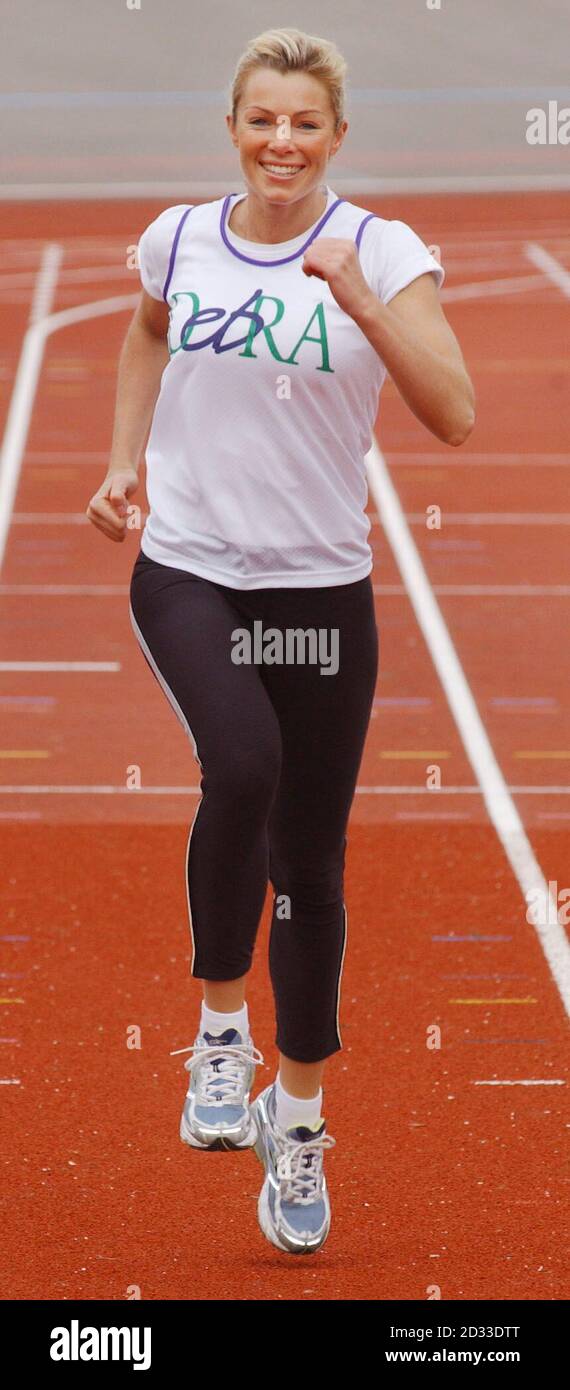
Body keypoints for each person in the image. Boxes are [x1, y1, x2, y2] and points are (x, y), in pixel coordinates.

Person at [86, 27, 474, 1256]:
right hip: (192, 568)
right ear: (235, 126)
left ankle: (294, 1122)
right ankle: (217, 1034)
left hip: (323, 594)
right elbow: (147, 330)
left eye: (306, 124)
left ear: (337, 140)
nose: (282, 142)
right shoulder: (179, 237)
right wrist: (121, 463)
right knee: (241, 769)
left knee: (311, 862)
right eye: (263, 119)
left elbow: (455, 412)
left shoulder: (383, 249)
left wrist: (361, 299)